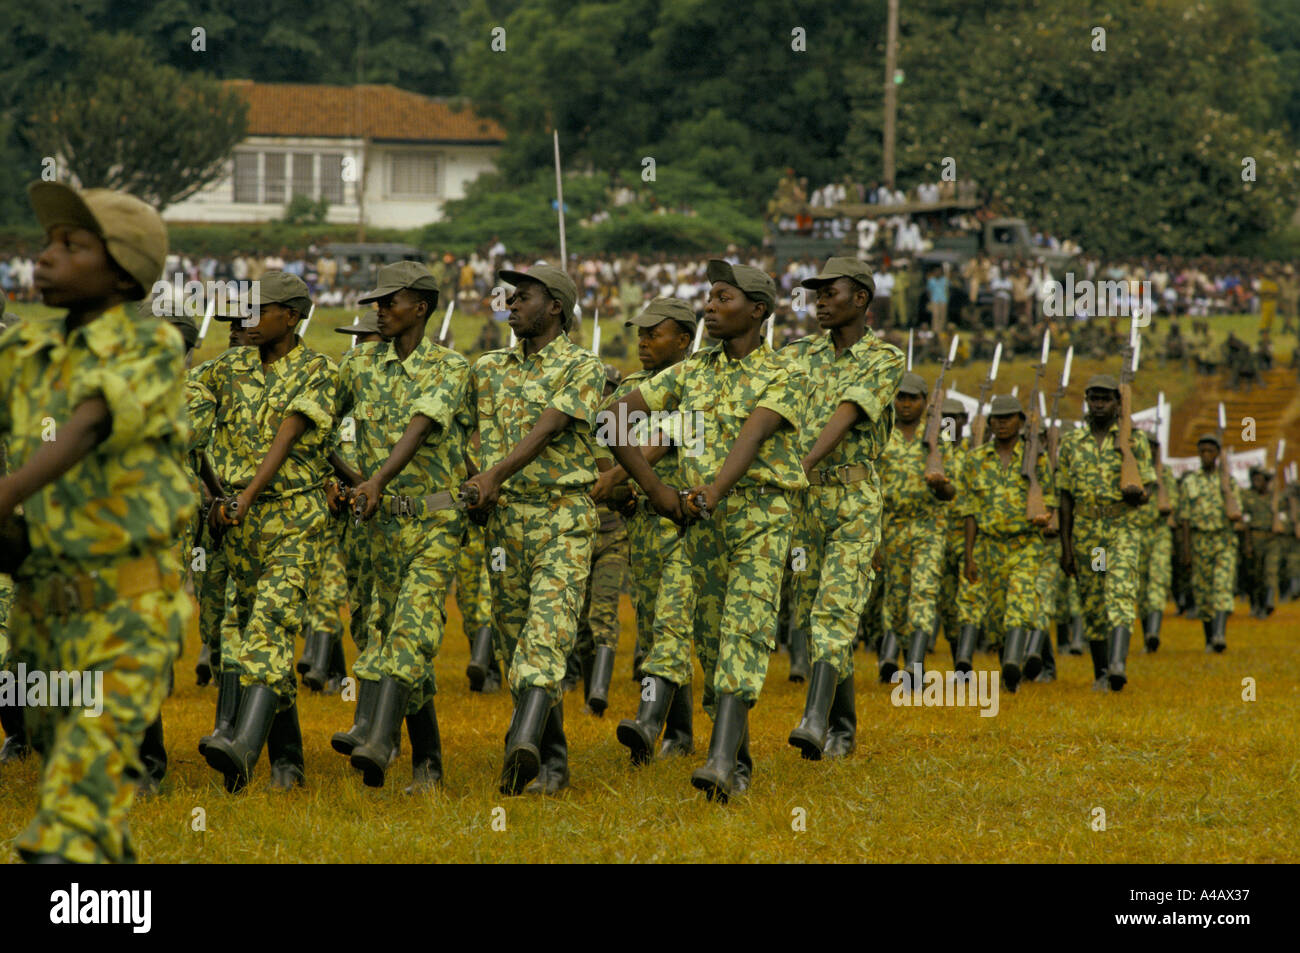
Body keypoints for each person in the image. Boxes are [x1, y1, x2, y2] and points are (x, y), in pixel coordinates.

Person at [0, 182, 193, 862]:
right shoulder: (23, 359)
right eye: (48, 242)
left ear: (121, 271)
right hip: (44, 625)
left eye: (71, 246)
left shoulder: (153, 349)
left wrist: (10, 490)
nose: (45, 257)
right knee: (92, 820)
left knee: (66, 829)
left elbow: (89, 422)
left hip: (126, 612)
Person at [608, 260, 806, 802]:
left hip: (760, 516)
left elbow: (754, 433)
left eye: (724, 297)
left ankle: (720, 761)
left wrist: (714, 491)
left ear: (758, 310)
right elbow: (614, 419)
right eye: (710, 297)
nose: (711, 306)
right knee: (715, 644)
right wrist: (657, 492)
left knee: (744, 628)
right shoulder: (692, 372)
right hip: (700, 523)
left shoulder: (786, 372)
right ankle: (736, 761)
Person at [461, 263, 604, 796]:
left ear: (557, 308)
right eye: (509, 296)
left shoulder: (581, 367)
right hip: (503, 523)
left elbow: (550, 428)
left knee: (547, 632)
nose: (512, 303)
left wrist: (492, 474)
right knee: (514, 637)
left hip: (561, 514)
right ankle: (551, 759)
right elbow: (466, 434)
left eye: (524, 296)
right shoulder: (488, 368)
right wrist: (471, 484)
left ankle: (519, 742)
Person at [329, 261, 470, 792]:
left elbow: (422, 425)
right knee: (379, 635)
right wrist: (354, 479)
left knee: (412, 627)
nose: (380, 310)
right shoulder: (360, 365)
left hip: (433, 517)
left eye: (391, 301)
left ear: (422, 307)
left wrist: (377, 479)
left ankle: (380, 739)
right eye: (377, 302)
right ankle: (428, 763)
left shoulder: (451, 367)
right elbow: (320, 425)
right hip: (376, 526)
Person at [195, 271, 335, 792]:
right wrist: (216, 492)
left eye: (258, 310)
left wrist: (247, 494)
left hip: (293, 516)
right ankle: (289, 763)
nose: (244, 319)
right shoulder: (228, 366)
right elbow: (190, 428)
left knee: (271, 625)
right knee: (249, 633)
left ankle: (241, 746)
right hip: (238, 523)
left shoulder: (319, 369)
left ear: (292, 317)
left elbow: (291, 431)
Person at [784, 257, 904, 760]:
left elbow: (849, 413)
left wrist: (804, 461)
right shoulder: (798, 355)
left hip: (853, 497)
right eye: (816, 294)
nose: (820, 302)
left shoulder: (885, 358)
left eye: (830, 292)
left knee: (836, 607)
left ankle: (814, 718)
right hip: (805, 501)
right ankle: (843, 725)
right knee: (813, 611)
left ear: (860, 298)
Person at [592, 298, 697, 755]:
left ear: (685, 341)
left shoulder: (702, 384)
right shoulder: (631, 388)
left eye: (656, 333)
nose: (644, 341)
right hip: (643, 530)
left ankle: (647, 720)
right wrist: (611, 484)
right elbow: (605, 440)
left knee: (672, 627)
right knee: (656, 630)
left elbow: (665, 437)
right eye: (641, 333)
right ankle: (680, 733)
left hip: (690, 525)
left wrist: (618, 476)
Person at [1056, 375, 1156, 691]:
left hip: (1121, 528)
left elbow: (1150, 483)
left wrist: (1138, 494)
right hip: (1088, 533)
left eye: (1106, 399)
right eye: (1094, 398)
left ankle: (1117, 664)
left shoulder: (1134, 441)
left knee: (1121, 591)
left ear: (1118, 403)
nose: (1099, 404)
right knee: (1095, 600)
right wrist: (1067, 547)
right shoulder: (1071, 443)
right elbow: (1065, 498)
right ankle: (1101, 671)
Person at [955, 396, 1055, 690]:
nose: (1001, 423)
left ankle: (1013, 662)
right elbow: (970, 511)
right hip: (989, 546)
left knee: (1020, 603)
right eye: (996, 418)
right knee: (997, 615)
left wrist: (1043, 517)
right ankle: (1008, 669)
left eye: (1008, 417)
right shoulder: (976, 460)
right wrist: (970, 555)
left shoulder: (1037, 459)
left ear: (1021, 422)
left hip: (1025, 544)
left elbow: (1048, 501)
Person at [874, 372, 956, 685]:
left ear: (925, 402)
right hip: (891, 526)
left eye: (913, 398)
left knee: (923, 591)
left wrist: (940, 486)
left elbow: (952, 494)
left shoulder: (938, 437)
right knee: (895, 600)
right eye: (901, 397)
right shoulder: (882, 437)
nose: (906, 404)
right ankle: (892, 657)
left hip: (928, 525)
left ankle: (914, 666)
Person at [1177, 435, 1243, 650]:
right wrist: (1186, 549)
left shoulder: (1229, 482)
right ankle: (1209, 638)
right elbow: (1185, 519)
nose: (1206, 455)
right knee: (1203, 591)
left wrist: (1225, 488)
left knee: (1222, 586)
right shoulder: (1190, 482)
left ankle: (1219, 635)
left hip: (1223, 539)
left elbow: (1236, 514)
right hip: (1199, 541)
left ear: (1217, 454)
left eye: (1210, 451)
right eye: (1202, 451)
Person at [1136, 433, 1177, 651]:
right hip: (1136, 533)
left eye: (1153, 447)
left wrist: (1158, 475)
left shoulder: (1166, 474)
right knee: (1141, 589)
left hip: (1159, 532)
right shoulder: (1132, 471)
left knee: (1158, 581)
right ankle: (1147, 637)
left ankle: (1154, 632)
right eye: (1146, 447)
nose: (1149, 451)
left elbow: (1167, 507)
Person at [1240, 466, 1279, 620]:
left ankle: (1268, 603)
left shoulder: (1274, 498)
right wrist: (1247, 543)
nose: (1257, 482)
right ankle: (1255, 604)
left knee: (1270, 571)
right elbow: (1245, 523)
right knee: (1254, 575)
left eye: (1260, 479)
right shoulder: (1247, 497)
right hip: (1254, 538)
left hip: (1271, 539)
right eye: (1254, 479)